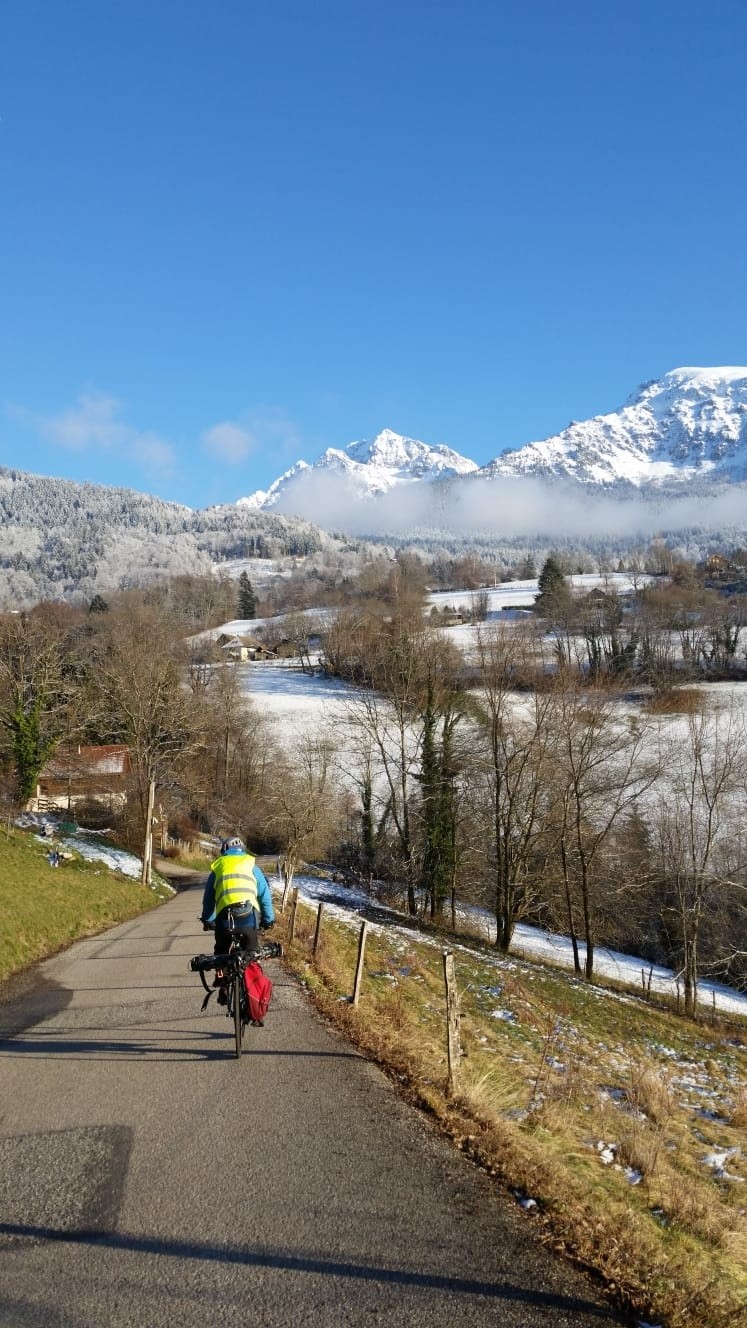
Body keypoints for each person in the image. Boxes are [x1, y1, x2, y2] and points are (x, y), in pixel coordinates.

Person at [200, 835, 275, 960]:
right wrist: (268, 920)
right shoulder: (252, 866)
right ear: (243, 850)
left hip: (224, 923)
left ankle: (222, 977)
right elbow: (264, 895)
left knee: (221, 960)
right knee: (252, 959)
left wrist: (208, 920)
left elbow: (208, 899)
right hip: (248, 920)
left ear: (224, 851)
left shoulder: (218, 867)